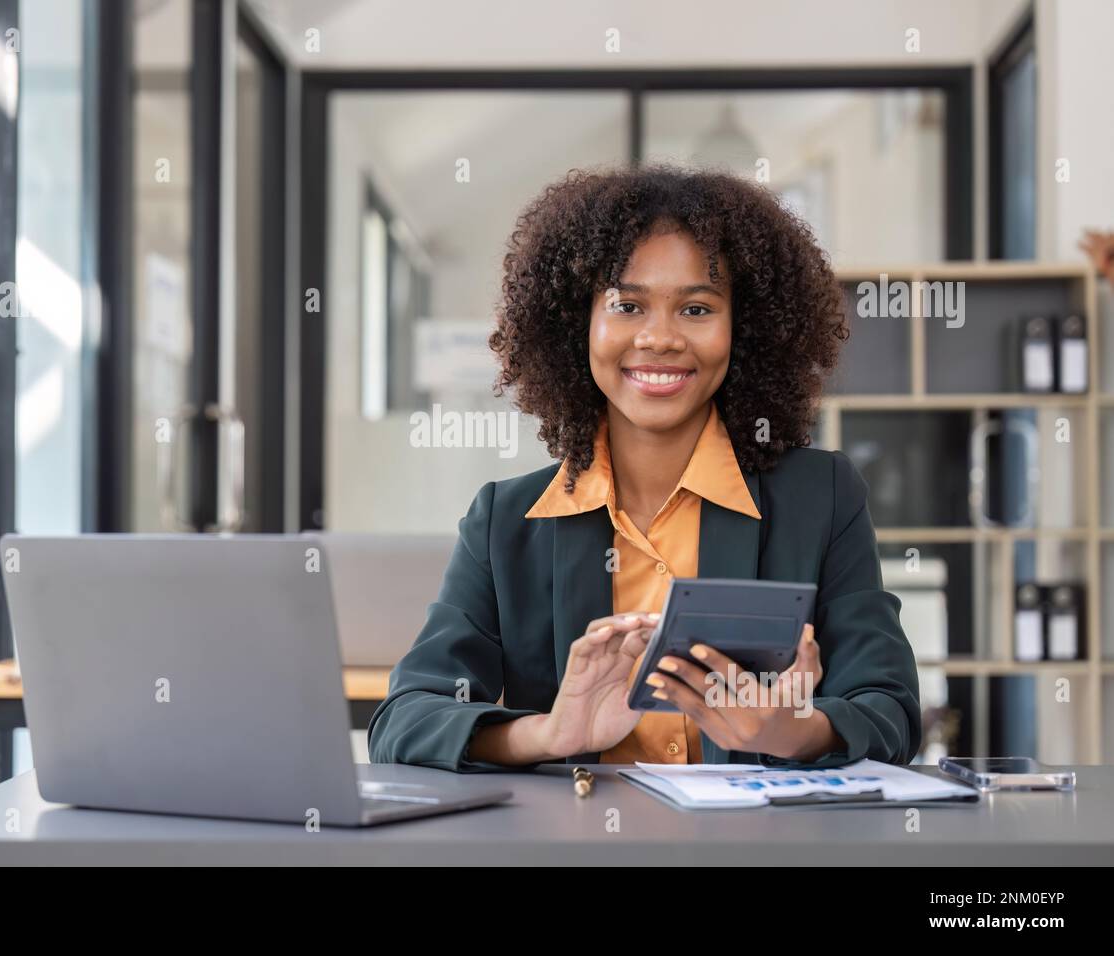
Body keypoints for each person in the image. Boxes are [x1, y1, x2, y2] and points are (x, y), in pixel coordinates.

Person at [368, 165, 921, 771]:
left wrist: (795, 732)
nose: (659, 338)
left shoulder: (823, 497)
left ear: (746, 329)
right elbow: (405, 720)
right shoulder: (505, 522)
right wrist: (551, 734)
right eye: (627, 305)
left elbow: (888, 708)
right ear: (578, 324)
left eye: (697, 309)